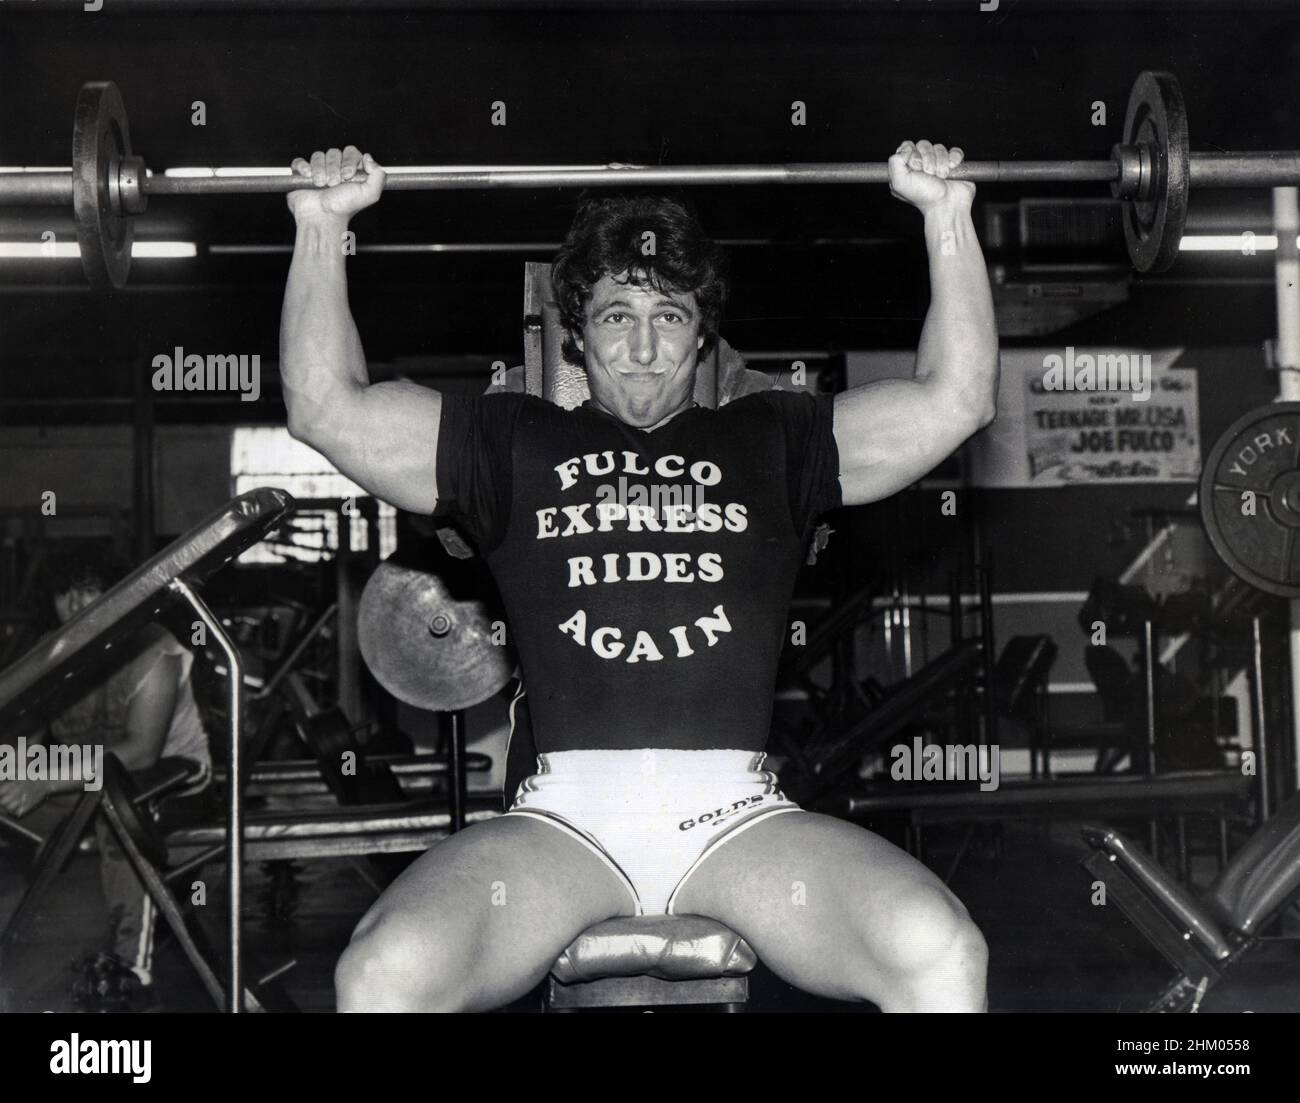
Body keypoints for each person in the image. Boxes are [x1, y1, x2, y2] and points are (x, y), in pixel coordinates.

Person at [280, 139, 999, 1012]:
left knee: (942, 950)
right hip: (567, 824)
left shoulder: (776, 441)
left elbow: (958, 396)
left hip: (737, 819)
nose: (646, 347)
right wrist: (321, 227)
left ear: (704, 336)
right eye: (619, 316)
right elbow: (325, 405)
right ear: (578, 333)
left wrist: (946, 216)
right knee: (383, 972)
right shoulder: (508, 443)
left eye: (673, 317)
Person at [0, 544, 211, 1008]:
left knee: (119, 809)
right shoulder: (49, 655)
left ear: (117, 593)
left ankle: (130, 970)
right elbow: (27, 746)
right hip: (82, 779)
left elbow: (140, 752)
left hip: (170, 777)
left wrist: (42, 780)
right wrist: (12, 770)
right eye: (65, 594)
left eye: (90, 590)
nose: (78, 607)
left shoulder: (156, 646)